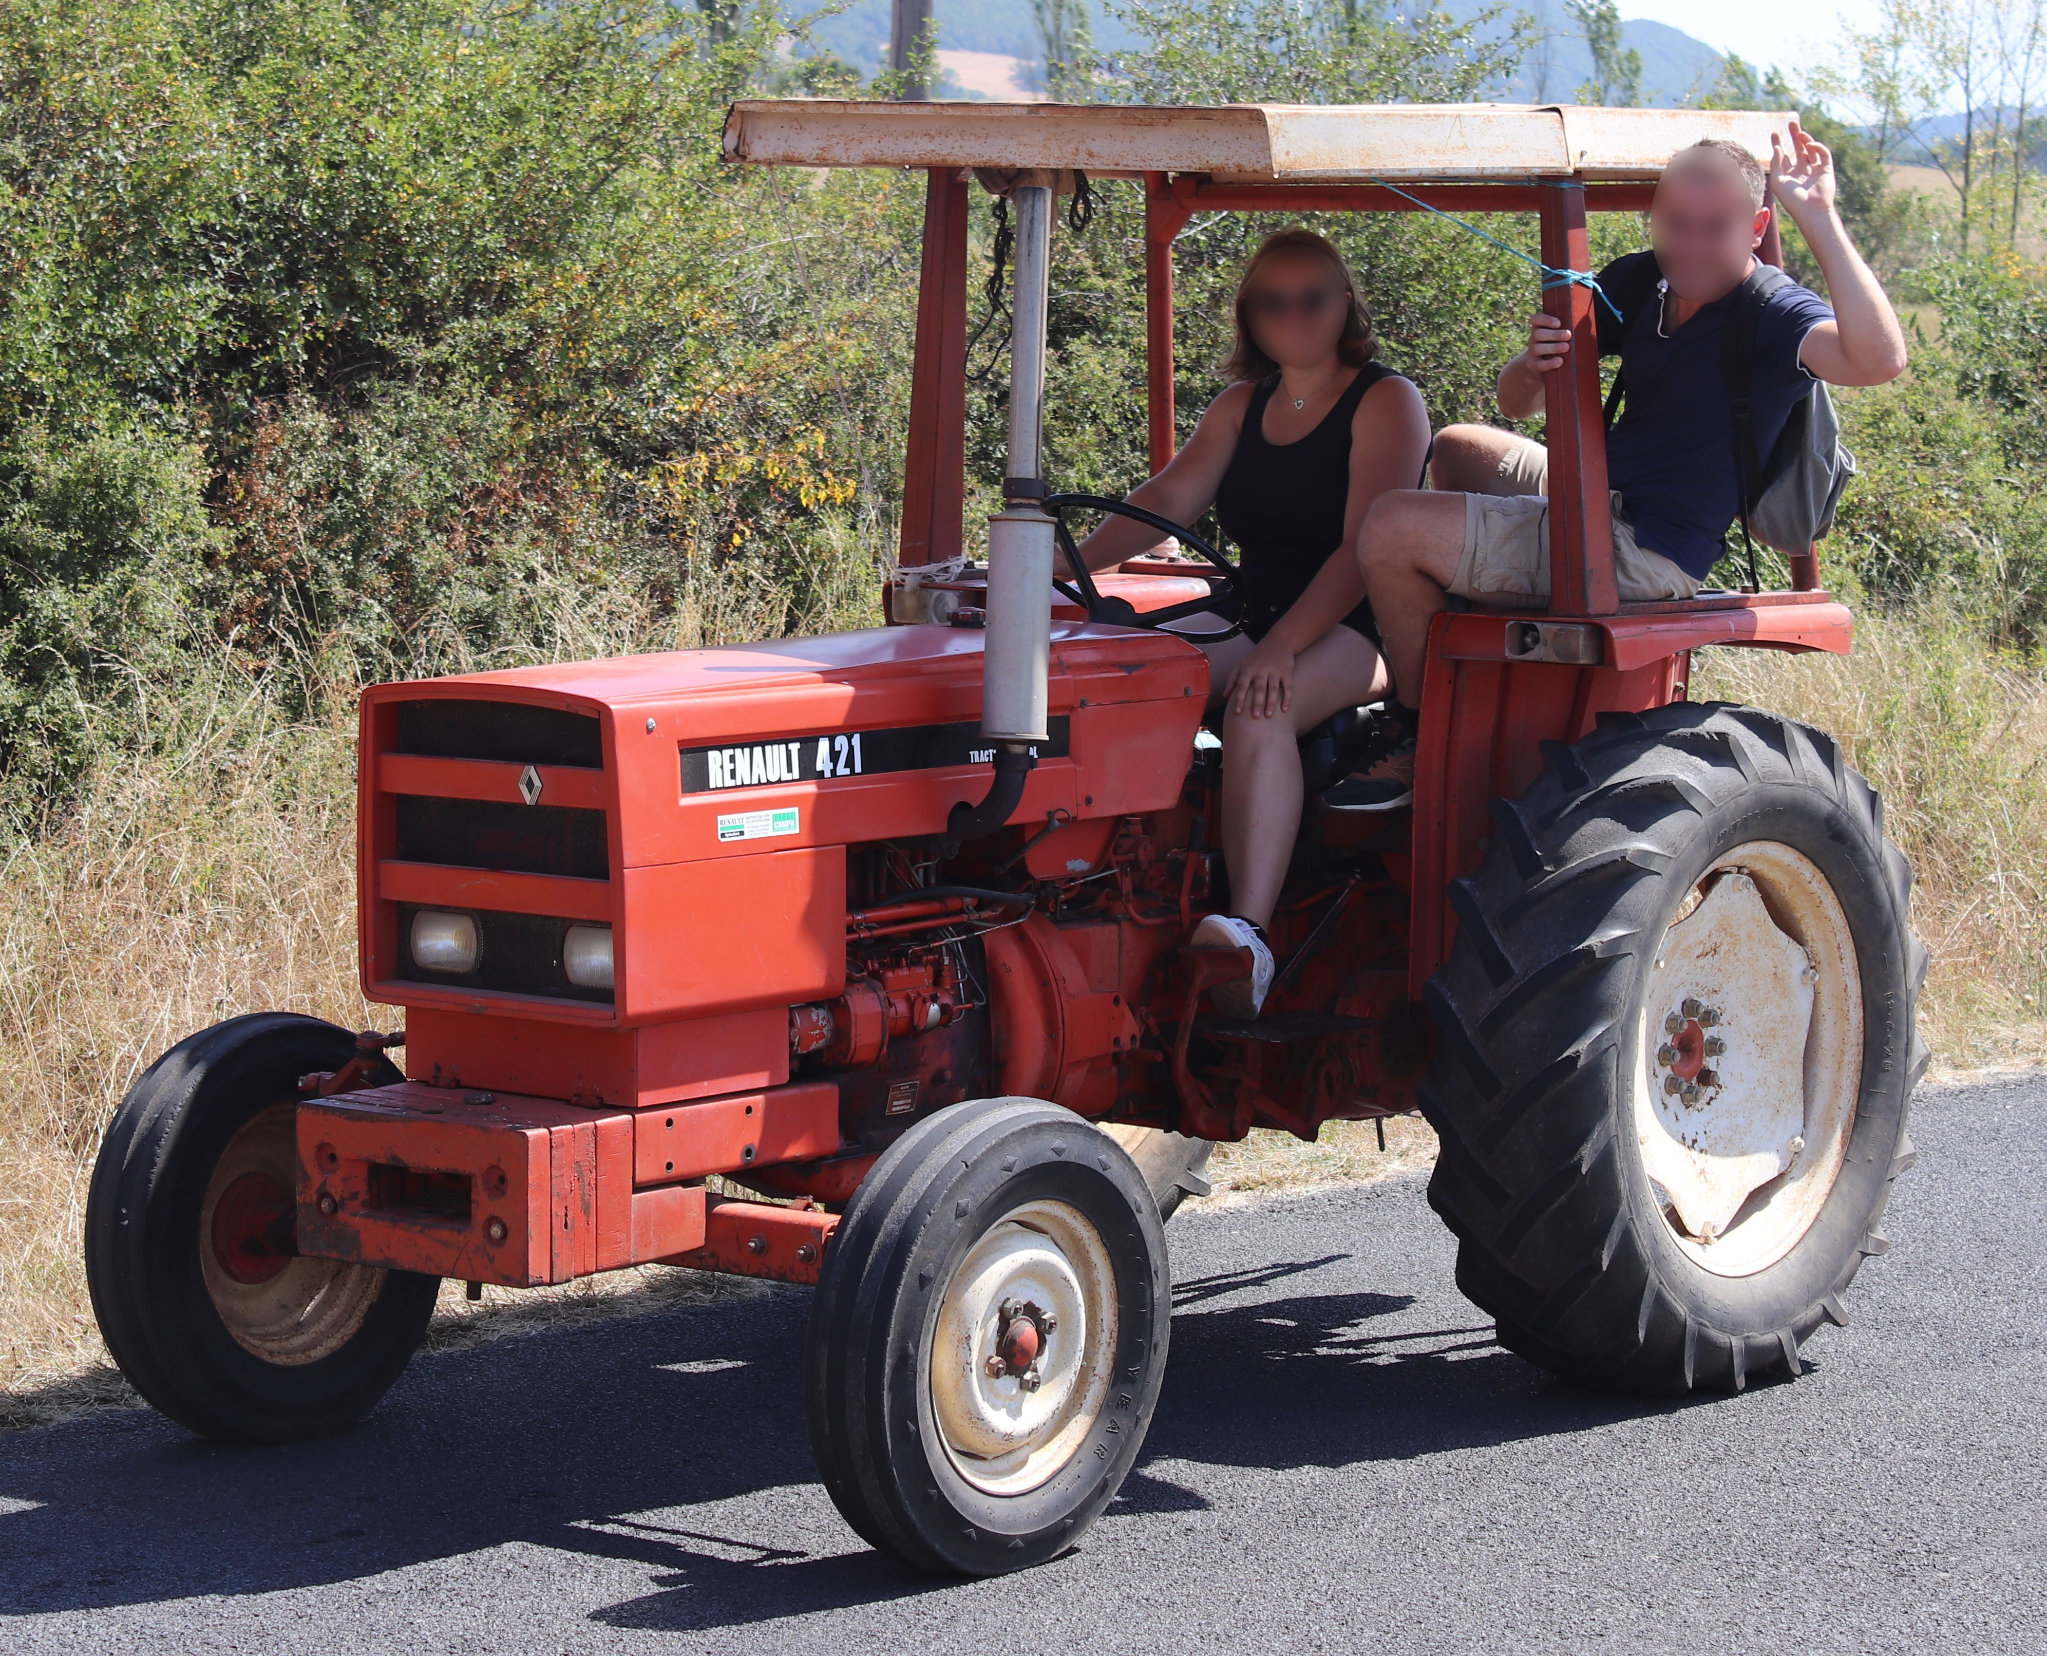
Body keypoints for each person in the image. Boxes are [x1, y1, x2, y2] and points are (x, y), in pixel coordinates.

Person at [1342, 119, 1908, 808]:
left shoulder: (1773, 311)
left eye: (1714, 226)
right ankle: (1460, 638)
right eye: (1676, 223)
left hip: (1644, 548)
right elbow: (1514, 403)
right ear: (1652, 216)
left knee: (1390, 527)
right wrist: (1532, 362)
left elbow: (1878, 360)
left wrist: (1817, 215)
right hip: (1593, 497)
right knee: (1459, 444)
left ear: (1756, 225)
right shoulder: (1640, 283)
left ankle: (1412, 726)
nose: (1690, 245)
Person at [1067, 229, 1430, 1017]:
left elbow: (1361, 547)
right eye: (1273, 302)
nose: (1293, 315)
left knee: (1260, 705)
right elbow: (1165, 501)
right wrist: (1062, 573)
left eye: (1312, 298)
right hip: (1256, 606)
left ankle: (1246, 938)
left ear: (1344, 306)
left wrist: (1279, 649)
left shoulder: (1384, 400)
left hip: (1360, 620)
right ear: (1250, 317)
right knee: (1125, 677)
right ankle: (1108, 889)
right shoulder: (1243, 405)